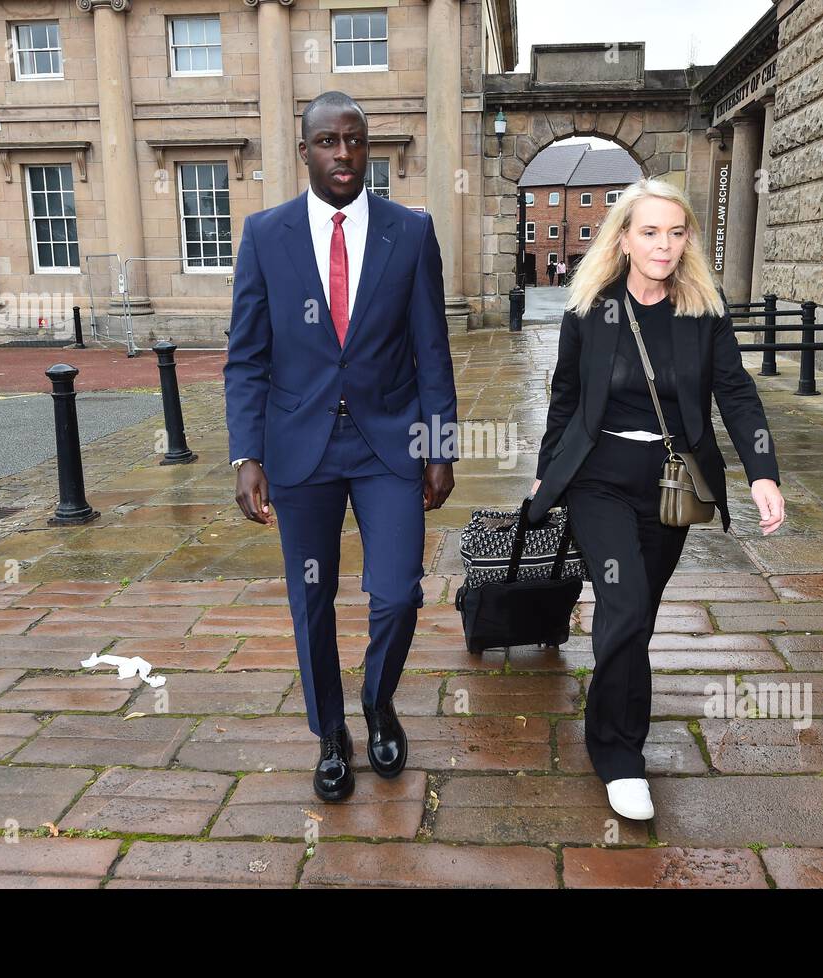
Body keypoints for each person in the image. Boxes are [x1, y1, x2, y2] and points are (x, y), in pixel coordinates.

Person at [224, 91, 458, 803]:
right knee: (313, 599)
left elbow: (431, 349)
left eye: (355, 140)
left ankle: (378, 699)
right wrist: (246, 455)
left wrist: (441, 443)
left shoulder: (409, 232)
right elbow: (247, 358)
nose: (344, 154)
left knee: (396, 594)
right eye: (328, 141)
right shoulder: (266, 235)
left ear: (368, 147)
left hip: (389, 444)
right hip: (302, 451)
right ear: (305, 151)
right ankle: (331, 733)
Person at [528, 177, 785, 822]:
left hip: (670, 484)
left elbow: (737, 394)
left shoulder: (702, 312)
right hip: (597, 477)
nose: (663, 246)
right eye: (649, 232)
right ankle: (618, 754)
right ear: (623, 238)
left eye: (676, 233)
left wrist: (762, 473)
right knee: (625, 602)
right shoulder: (591, 310)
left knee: (637, 617)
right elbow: (564, 399)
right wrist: (545, 473)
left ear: (688, 239)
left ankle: (610, 710)